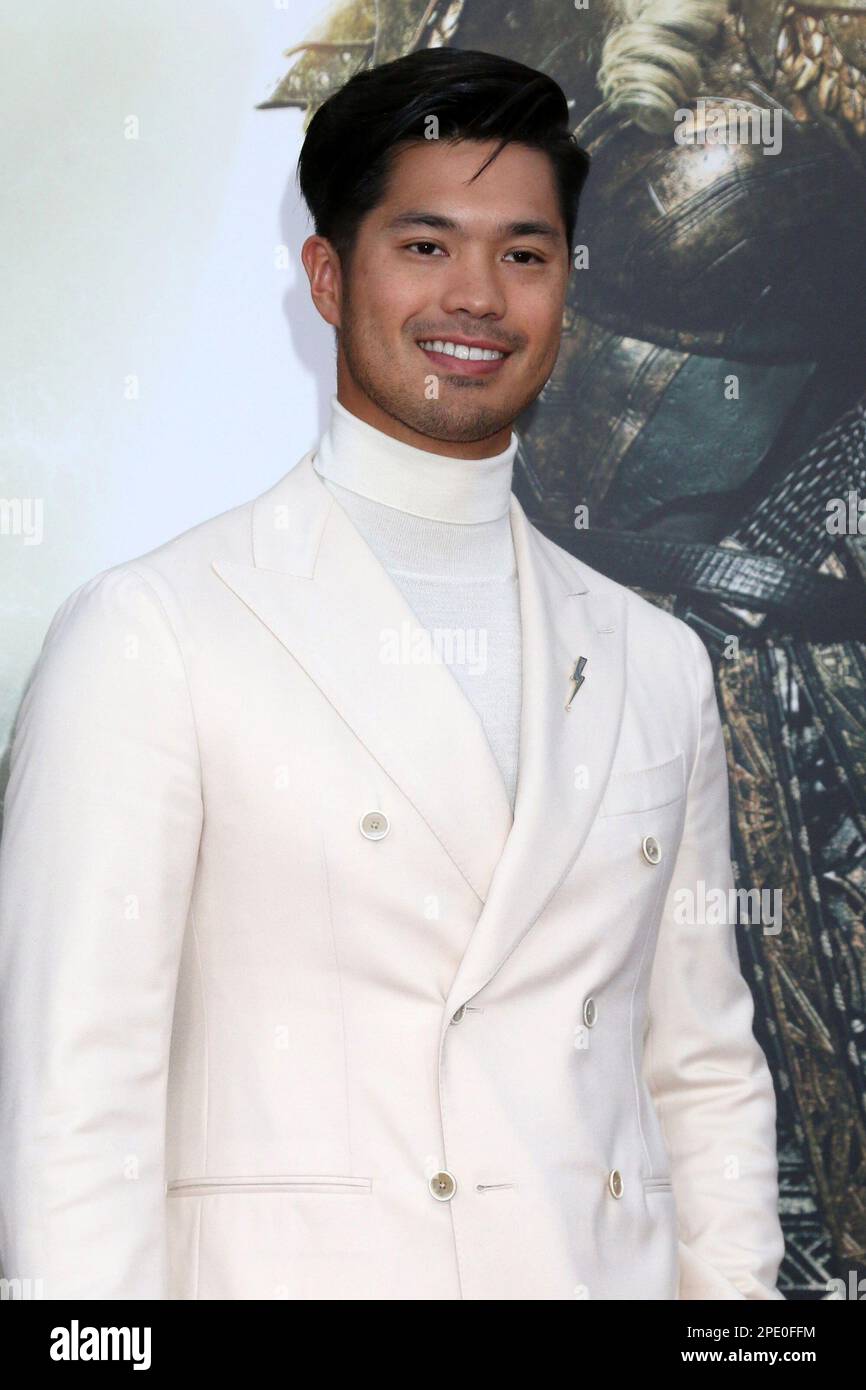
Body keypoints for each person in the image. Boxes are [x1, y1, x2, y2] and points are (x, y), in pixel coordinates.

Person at [0, 48, 785, 1300]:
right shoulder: (150, 634)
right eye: (426, 246)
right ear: (326, 274)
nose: (477, 295)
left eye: (523, 254)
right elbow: (73, 1100)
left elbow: (699, 1073)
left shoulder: (656, 662)